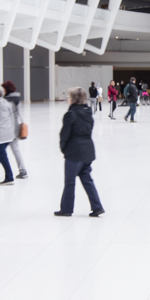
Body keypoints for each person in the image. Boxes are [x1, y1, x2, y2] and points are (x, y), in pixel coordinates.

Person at [53, 87, 104, 217]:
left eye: (69, 97)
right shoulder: (88, 112)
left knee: (70, 181)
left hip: (74, 152)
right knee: (87, 180)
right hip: (88, 151)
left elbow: (64, 134)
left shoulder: (70, 114)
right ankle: (97, 207)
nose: (67, 99)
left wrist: (63, 148)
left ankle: (66, 209)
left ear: (74, 99)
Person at [0, 80, 28, 179]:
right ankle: (23, 170)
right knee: (15, 150)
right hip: (15, 127)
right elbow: (19, 113)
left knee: (0, 150)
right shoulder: (17, 99)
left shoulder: (5, 100)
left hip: (6, 128)